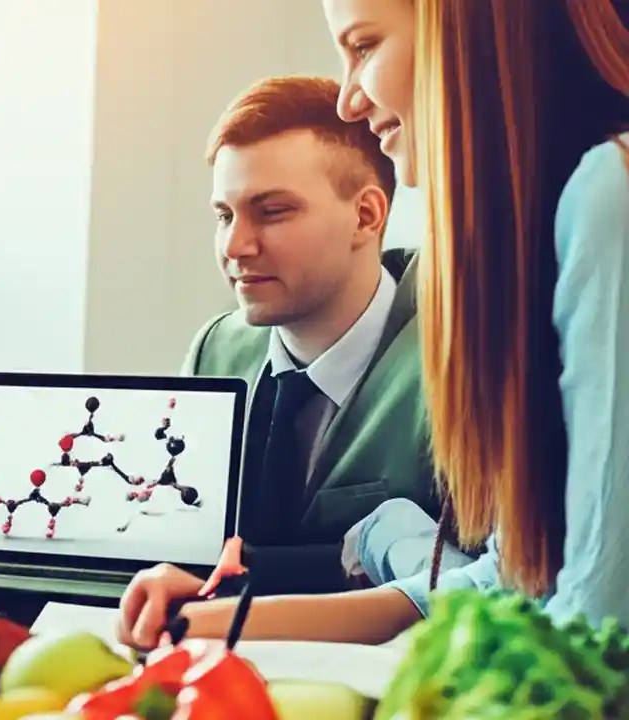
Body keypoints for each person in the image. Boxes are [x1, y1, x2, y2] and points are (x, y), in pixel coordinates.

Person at [119, 0, 629, 648]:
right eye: (224, 214)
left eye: (363, 46)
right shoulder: (544, 230)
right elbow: (507, 583)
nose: (349, 100)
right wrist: (206, 623)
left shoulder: (610, 193)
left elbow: (599, 619)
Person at [180, 74, 438, 595]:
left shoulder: (452, 358)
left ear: (366, 216)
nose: (235, 246)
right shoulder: (216, 348)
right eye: (224, 215)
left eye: (272, 212)